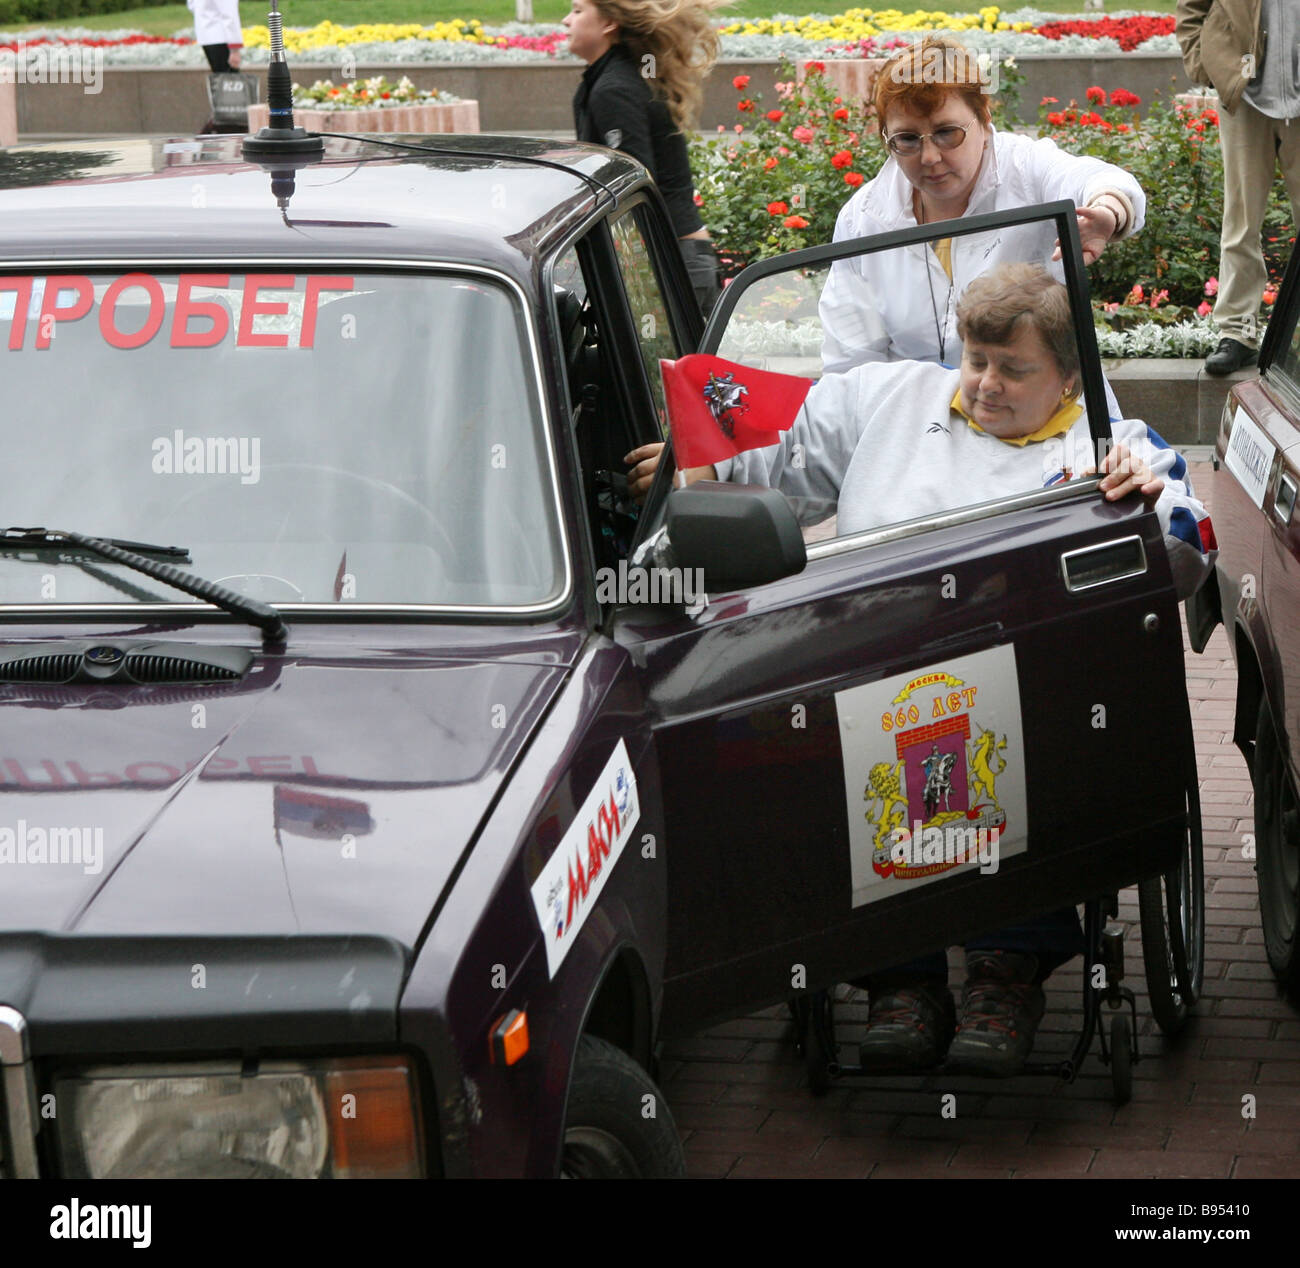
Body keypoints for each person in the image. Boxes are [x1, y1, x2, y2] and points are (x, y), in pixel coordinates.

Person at [632, 263, 1214, 1074]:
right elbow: (777, 458)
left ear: (1070, 376)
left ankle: (1003, 972)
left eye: (1016, 370)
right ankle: (897, 980)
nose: (986, 384)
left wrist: (1149, 499)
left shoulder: (1105, 445)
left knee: (1029, 746)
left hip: (1020, 700)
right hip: (873, 679)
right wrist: (696, 468)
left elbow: (1187, 548)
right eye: (977, 360)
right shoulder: (892, 396)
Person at [819, 36, 1144, 421]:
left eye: (947, 133)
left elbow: (1093, 177)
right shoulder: (863, 218)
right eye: (907, 139)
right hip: (920, 429)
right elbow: (850, 362)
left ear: (985, 121)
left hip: (1046, 419)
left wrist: (1108, 209)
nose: (930, 157)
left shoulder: (1024, 168)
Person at [563, 0, 726, 314]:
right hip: (679, 258)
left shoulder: (614, 88)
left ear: (609, 23)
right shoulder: (614, 78)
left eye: (577, 10)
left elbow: (633, 188)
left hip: (673, 263)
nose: (565, 20)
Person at [1176, 0, 1300, 375]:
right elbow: (1192, 8)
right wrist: (1208, 65)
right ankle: (1237, 331)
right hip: (1245, 96)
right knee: (1241, 220)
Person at [188, 0, 243, 74]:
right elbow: (229, 13)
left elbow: (192, 5)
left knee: (220, 78)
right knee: (229, 80)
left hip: (205, 34)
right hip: (222, 36)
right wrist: (235, 48)